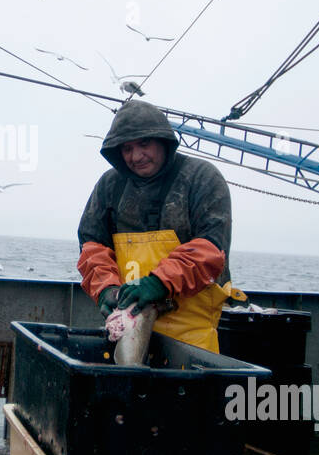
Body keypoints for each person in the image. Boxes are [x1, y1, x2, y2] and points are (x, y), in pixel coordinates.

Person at [76, 100, 241, 353]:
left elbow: (211, 249)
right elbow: (92, 248)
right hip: (127, 333)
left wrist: (160, 283)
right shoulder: (110, 186)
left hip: (191, 340)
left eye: (144, 144)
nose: (136, 156)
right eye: (127, 148)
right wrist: (106, 288)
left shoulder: (201, 178)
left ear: (163, 140)